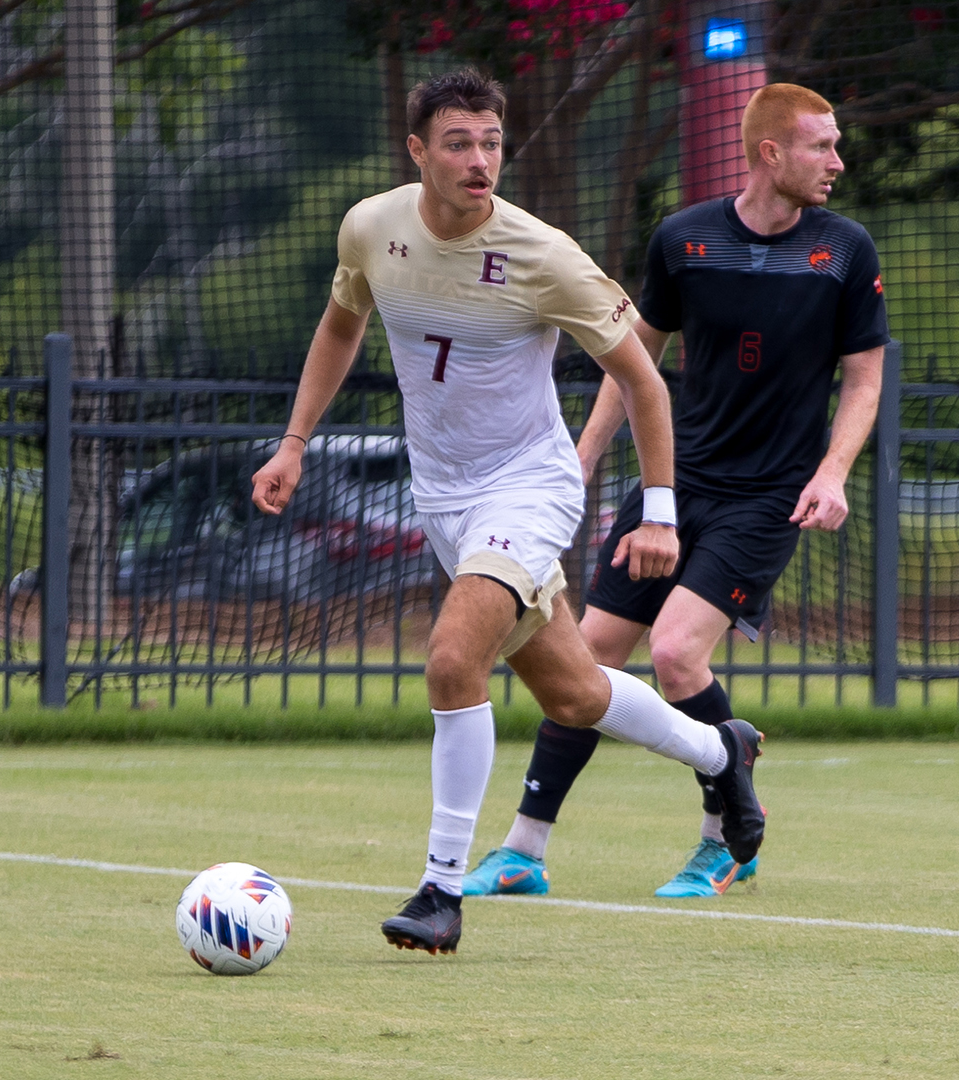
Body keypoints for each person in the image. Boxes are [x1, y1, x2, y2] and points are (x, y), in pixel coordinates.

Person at [249, 69, 766, 955]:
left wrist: (661, 512)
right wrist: (295, 440)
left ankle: (441, 891)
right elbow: (342, 324)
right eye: (458, 142)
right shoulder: (372, 229)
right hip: (444, 497)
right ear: (418, 151)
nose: (480, 159)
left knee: (454, 659)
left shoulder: (544, 253)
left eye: (491, 141)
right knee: (576, 692)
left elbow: (642, 377)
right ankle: (726, 757)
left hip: (530, 485)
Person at [464, 83, 889, 900]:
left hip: (769, 496)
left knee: (676, 653)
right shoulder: (684, 240)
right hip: (676, 483)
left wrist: (832, 472)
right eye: (821, 146)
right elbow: (633, 366)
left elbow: (865, 381)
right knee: (584, 663)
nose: (837, 161)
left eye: (836, 145)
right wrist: (579, 462)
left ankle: (725, 836)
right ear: (771, 153)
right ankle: (523, 849)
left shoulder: (845, 250)